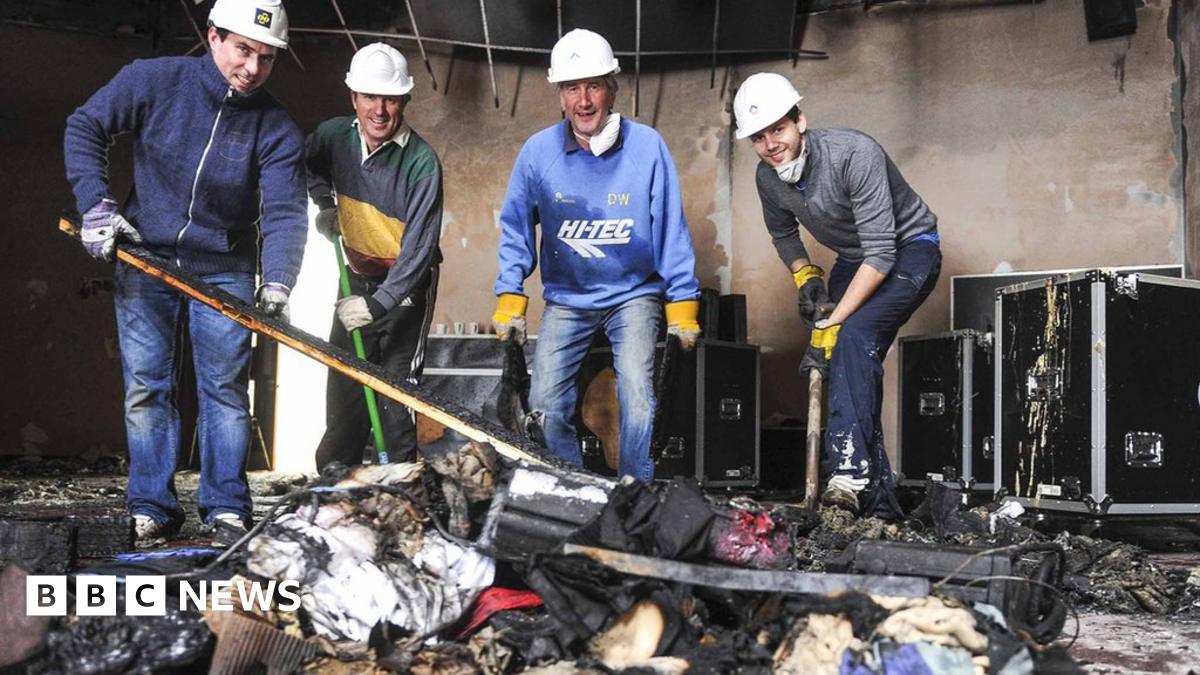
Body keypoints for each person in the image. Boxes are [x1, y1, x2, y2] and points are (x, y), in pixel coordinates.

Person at [63, 0, 307, 543]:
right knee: (147, 386)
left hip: (224, 269)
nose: (252, 68)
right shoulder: (155, 81)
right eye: (243, 49)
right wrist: (96, 205)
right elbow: (86, 125)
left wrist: (279, 280)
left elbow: (287, 210)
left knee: (224, 388)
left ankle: (224, 507)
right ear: (214, 36)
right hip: (144, 257)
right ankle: (150, 504)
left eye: (267, 58)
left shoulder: (277, 128)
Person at [491, 29, 701, 483]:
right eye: (571, 88)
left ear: (612, 88)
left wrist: (682, 303)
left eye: (593, 86)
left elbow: (671, 229)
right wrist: (510, 294)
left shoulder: (647, 148)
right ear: (561, 96)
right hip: (568, 297)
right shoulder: (538, 154)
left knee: (638, 396)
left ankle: (632, 495)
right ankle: (574, 489)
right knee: (544, 401)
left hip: (634, 295)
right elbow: (515, 227)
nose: (583, 100)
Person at [733, 72, 942, 517]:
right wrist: (806, 277)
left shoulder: (854, 154)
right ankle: (878, 502)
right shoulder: (768, 179)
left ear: (800, 121)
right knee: (841, 358)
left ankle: (847, 472)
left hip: (909, 250)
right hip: (855, 256)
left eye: (778, 129)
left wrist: (834, 318)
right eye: (758, 137)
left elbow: (883, 253)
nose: (771, 144)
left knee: (853, 336)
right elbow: (784, 234)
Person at [305, 43, 443, 471]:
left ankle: (398, 482)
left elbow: (418, 254)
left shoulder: (422, 164)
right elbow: (307, 165)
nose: (379, 110)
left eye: (390, 98)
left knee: (394, 393)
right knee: (345, 384)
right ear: (354, 99)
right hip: (355, 277)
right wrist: (325, 205)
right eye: (369, 97)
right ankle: (335, 481)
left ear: (404, 100)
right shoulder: (332, 137)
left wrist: (379, 304)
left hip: (405, 288)